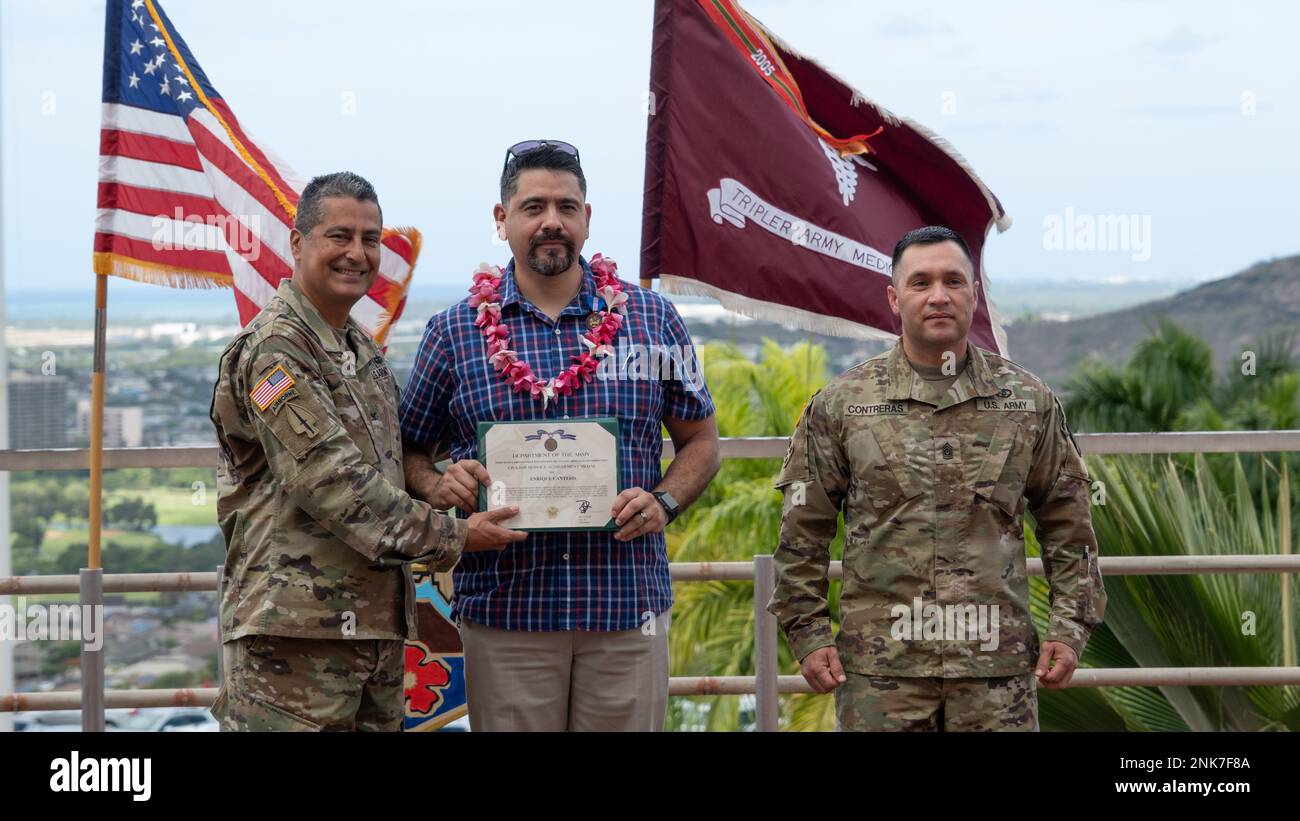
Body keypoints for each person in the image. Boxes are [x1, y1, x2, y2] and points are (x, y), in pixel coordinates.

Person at [399, 141, 721, 731]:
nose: (552, 220)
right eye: (533, 206)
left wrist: (665, 501)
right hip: (507, 611)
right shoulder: (453, 332)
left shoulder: (654, 319)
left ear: (587, 218)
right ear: (502, 220)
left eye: (566, 206)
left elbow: (701, 440)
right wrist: (439, 484)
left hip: (627, 608)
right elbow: (409, 451)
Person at [209, 171, 523, 731]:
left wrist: (439, 482)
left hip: (373, 630)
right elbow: (332, 484)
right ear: (299, 243)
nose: (357, 253)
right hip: (294, 642)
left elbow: (388, 463)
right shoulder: (274, 353)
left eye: (370, 238)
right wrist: (456, 534)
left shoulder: (357, 348)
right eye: (340, 236)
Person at [769, 225, 1107, 731]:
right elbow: (804, 532)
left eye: (953, 281)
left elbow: (1068, 524)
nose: (938, 296)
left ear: (975, 293)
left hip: (996, 670)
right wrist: (809, 632)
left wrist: (1069, 624)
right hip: (882, 673)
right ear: (894, 297)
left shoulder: (1026, 402)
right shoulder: (844, 405)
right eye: (920, 282)